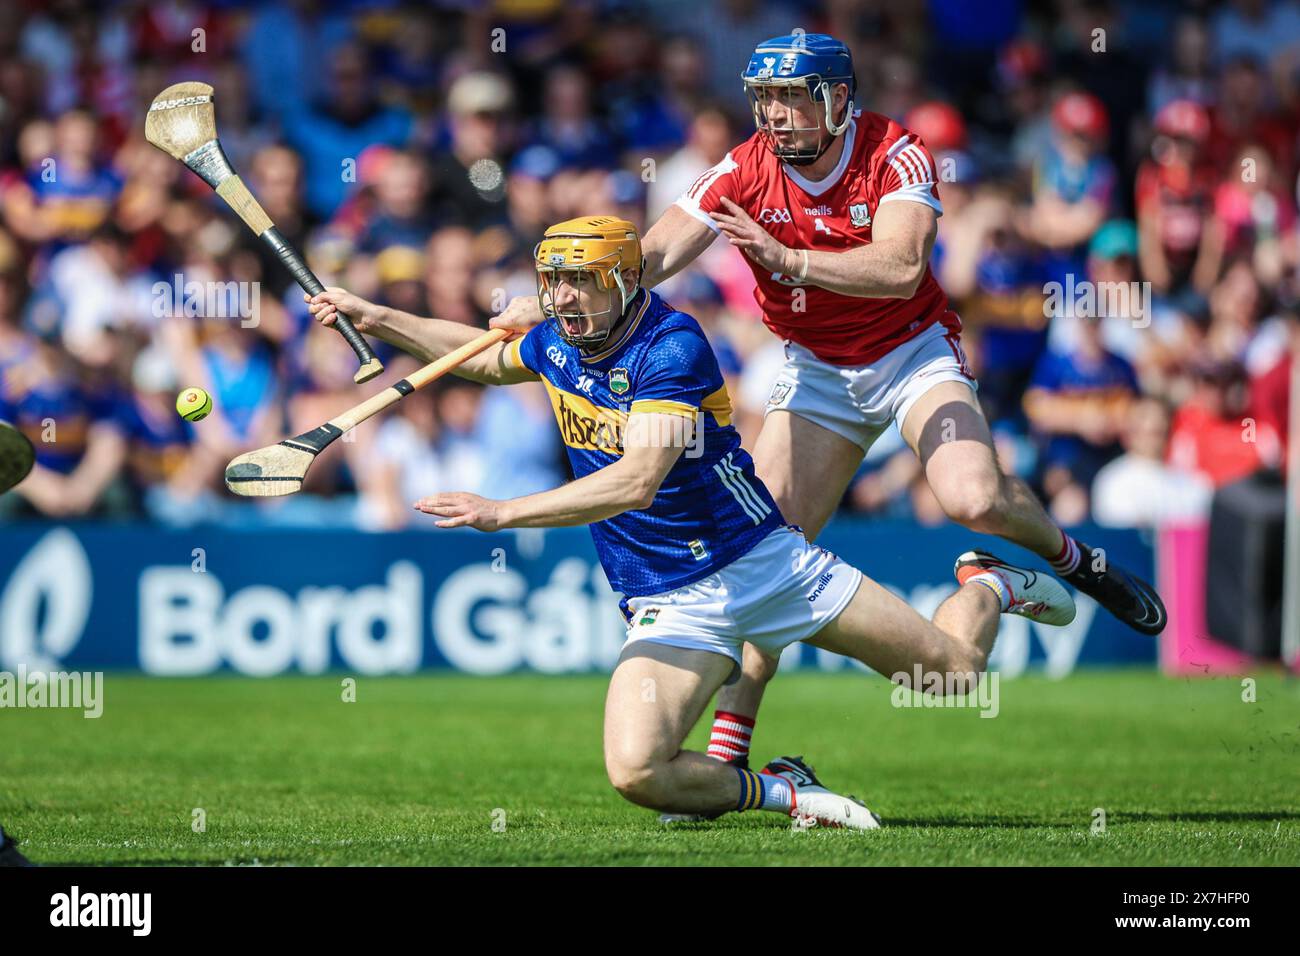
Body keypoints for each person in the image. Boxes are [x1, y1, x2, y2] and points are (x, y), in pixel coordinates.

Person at [490, 35, 1167, 817]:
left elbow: (901, 267)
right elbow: (651, 251)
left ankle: (1063, 563)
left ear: (838, 99)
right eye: (767, 99)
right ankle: (732, 759)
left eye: (794, 97)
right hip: (816, 371)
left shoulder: (897, 153)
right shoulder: (744, 165)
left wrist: (789, 258)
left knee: (974, 497)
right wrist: (561, 299)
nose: (776, 115)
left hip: (911, 354)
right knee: (759, 554)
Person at [307, 216, 1077, 828]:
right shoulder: (560, 339)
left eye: (582, 283)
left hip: (766, 563)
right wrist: (376, 315)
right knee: (637, 770)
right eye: (555, 283)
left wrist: (502, 512)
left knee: (953, 678)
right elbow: (480, 359)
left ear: (626, 278)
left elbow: (638, 481)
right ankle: (786, 793)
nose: (565, 299)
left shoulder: (672, 347)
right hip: (672, 599)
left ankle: (989, 585)